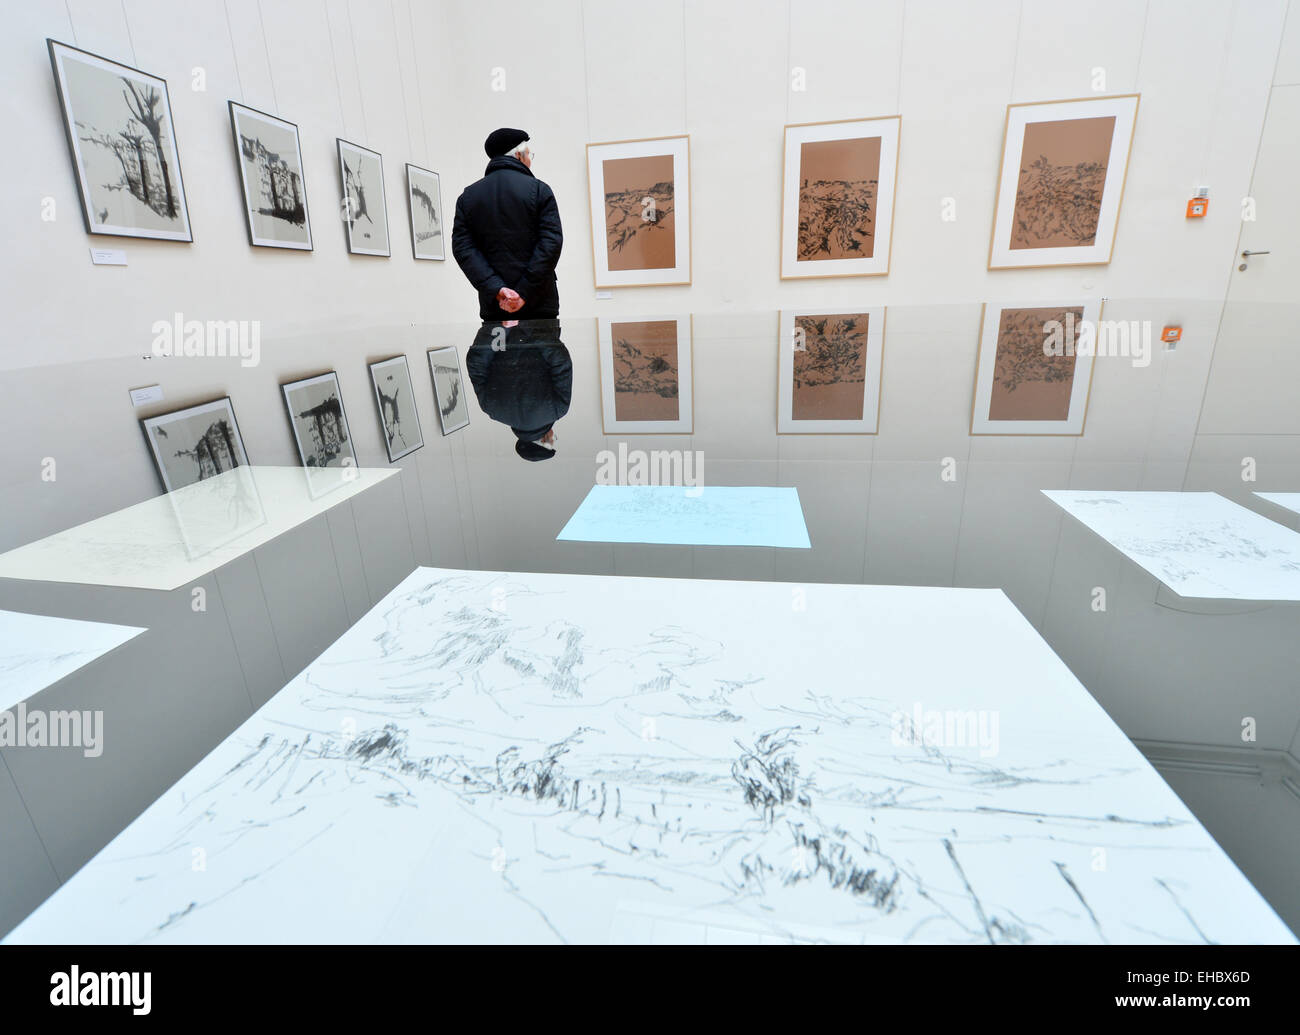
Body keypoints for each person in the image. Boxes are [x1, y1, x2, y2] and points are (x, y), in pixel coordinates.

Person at [452, 128, 563, 320]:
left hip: (496, 304)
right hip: (539, 302)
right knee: (540, 349)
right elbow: (550, 243)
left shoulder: (468, 197)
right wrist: (524, 291)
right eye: (529, 155)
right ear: (519, 155)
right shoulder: (539, 191)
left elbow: (463, 249)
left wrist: (497, 289)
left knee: (499, 350)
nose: (530, 160)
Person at [465, 320, 571, 462]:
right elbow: (476, 362)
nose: (553, 436)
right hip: (496, 319)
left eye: (553, 440)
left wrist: (529, 328)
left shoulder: (559, 410)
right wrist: (503, 328)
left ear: (543, 441)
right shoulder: (492, 410)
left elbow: (560, 361)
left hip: (541, 321)